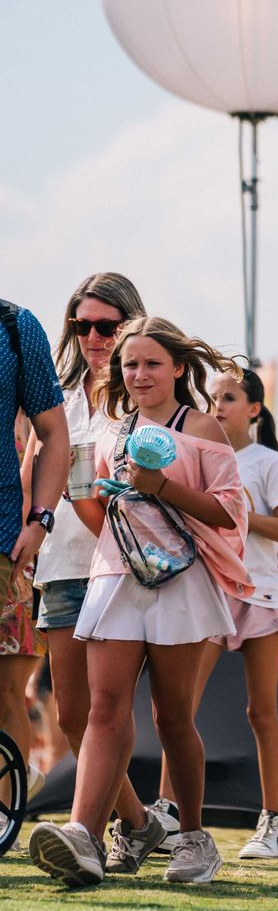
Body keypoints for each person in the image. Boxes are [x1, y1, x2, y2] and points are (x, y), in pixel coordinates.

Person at [29, 317, 250, 888]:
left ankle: (193, 838)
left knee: (173, 716)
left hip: (182, 582)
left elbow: (230, 512)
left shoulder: (201, 426)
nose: (140, 374)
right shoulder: (111, 431)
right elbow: (101, 512)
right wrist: (91, 494)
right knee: (104, 708)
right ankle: (83, 836)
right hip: (115, 577)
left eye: (152, 363)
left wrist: (162, 488)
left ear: (178, 367)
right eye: (130, 364)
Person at [24, 273, 159, 865]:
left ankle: (89, 838)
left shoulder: (143, 393)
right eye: (82, 325)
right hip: (61, 562)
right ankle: (139, 823)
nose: (93, 337)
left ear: (130, 323)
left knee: (109, 709)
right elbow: (34, 469)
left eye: (106, 325)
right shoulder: (58, 396)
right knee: (71, 714)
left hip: (123, 564)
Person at [160, 368, 278, 860]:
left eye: (230, 397)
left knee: (261, 711)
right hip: (211, 590)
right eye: (214, 396)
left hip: (261, 594)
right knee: (180, 707)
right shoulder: (198, 453)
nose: (218, 405)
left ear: (254, 409)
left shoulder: (268, 462)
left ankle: (274, 824)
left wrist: (235, 511)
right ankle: (166, 814)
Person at [0, 298, 69, 823]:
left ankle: (5, 814)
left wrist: (41, 520)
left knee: (7, 691)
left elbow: (53, 433)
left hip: (5, 538)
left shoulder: (15, 326)